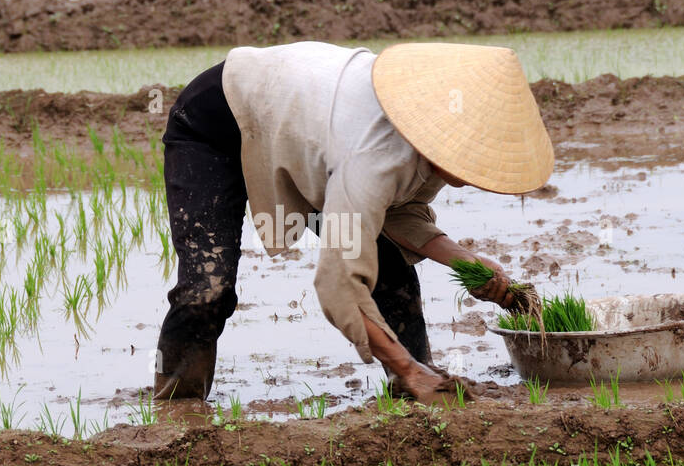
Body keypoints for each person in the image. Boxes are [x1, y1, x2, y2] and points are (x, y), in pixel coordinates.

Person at [152, 41, 554, 404]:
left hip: (300, 139)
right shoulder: (372, 159)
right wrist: (408, 369)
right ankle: (178, 409)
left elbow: (397, 214)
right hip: (213, 128)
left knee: (388, 262)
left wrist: (467, 261)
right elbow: (339, 286)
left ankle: (417, 386)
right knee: (207, 290)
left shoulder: (423, 136)